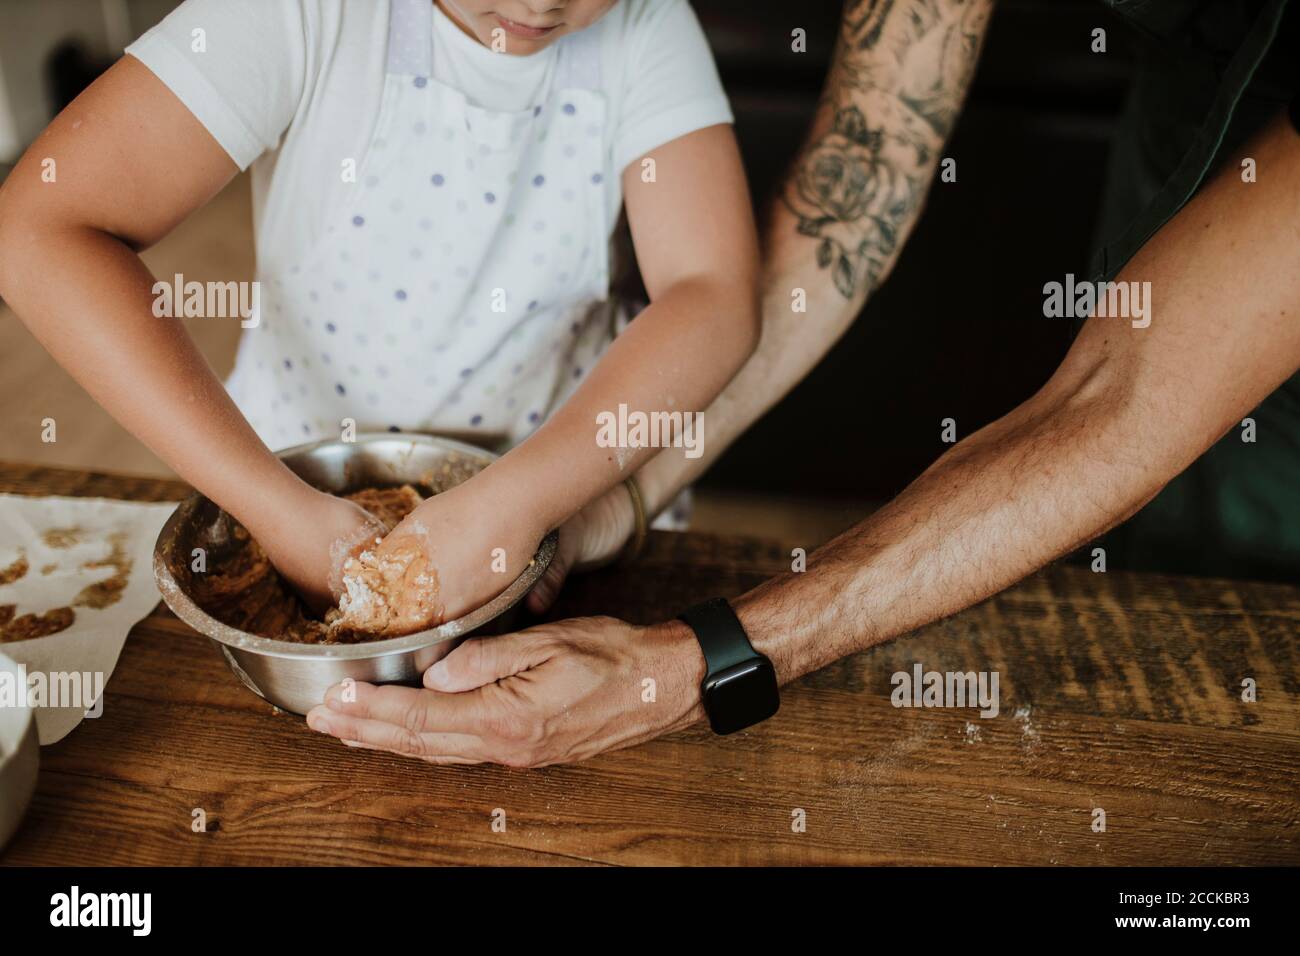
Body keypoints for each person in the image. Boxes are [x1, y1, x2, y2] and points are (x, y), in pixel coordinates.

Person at [300, 0, 1300, 765]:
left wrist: (698, 665)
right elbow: (863, 176)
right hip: (1198, 105)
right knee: (1132, 576)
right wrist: (630, 487)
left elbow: (1117, 396)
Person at [0, 0, 759, 627]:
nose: (543, 4)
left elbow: (713, 293)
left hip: (560, 498)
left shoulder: (645, 27)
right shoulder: (304, 15)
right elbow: (38, 231)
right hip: (282, 481)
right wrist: (281, 513)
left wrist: (521, 502)